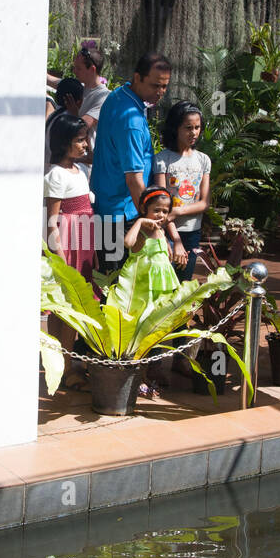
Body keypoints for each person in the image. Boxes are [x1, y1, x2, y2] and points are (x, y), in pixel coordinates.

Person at [91, 52, 172, 275]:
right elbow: (134, 179)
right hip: (121, 215)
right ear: (138, 77)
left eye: (164, 86)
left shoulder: (119, 96)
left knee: (109, 281)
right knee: (119, 286)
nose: (161, 92)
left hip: (108, 207)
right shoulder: (132, 121)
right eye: (155, 85)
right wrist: (151, 226)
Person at [44, 114, 95, 390]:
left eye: (85, 138)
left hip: (84, 241)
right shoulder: (55, 174)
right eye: (78, 140)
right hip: (68, 243)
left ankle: (63, 362)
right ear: (64, 143)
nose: (85, 144)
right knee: (64, 307)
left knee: (75, 305)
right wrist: (59, 256)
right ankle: (62, 367)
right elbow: (53, 218)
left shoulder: (81, 171)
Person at [123, 185, 181, 397]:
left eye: (165, 211)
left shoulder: (161, 231)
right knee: (140, 333)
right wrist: (139, 222)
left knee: (155, 334)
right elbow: (127, 243)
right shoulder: (141, 231)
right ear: (143, 208)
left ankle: (149, 375)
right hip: (142, 290)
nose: (161, 215)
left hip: (160, 291)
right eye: (156, 210)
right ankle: (139, 377)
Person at [154, 101, 211, 282]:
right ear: (175, 128)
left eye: (197, 127)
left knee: (185, 283)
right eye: (188, 127)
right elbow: (161, 204)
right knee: (166, 283)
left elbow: (204, 202)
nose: (193, 132)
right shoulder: (163, 160)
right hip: (168, 232)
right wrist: (175, 240)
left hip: (193, 232)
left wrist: (178, 211)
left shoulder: (203, 160)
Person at [44, 77, 84, 166]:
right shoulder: (67, 120)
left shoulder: (55, 113)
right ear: (78, 101)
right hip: (60, 167)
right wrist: (76, 116)